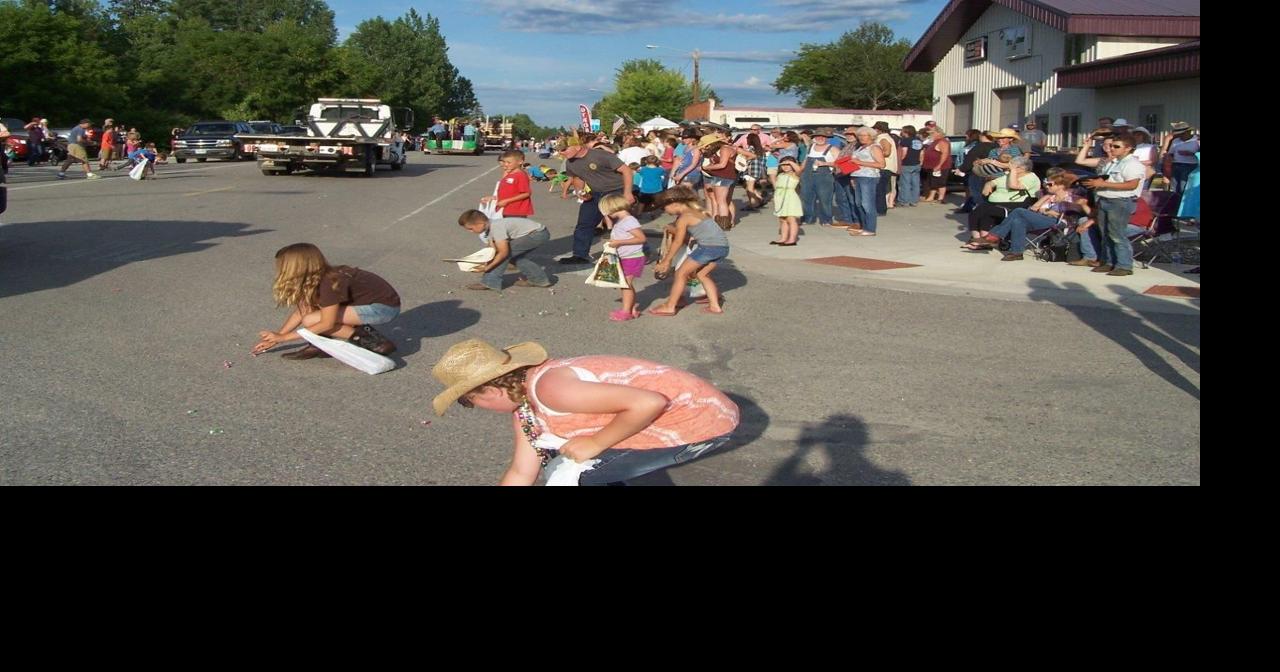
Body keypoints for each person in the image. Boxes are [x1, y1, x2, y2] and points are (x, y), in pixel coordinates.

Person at [430, 338, 740, 485]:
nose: (474, 409)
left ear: (492, 390)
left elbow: (650, 403)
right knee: (570, 463)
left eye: (468, 401)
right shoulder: (525, 410)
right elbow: (522, 471)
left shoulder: (550, 387)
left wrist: (595, 443)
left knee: (575, 475)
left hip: (703, 422)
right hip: (670, 416)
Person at [252, 243, 400, 360]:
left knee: (313, 320)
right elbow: (302, 310)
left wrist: (285, 338)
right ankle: (319, 345)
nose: (279, 270)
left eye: (282, 266)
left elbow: (326, 323)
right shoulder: (313, 279)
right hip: (365, 303)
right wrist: (277, 337)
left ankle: (375, 341)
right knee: (310, 316)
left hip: (383, 308)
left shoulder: (328, 282)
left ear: (297, 266)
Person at [649, 185, 730, 316]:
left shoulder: (684, 217)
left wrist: (666, 261)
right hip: (722, 247)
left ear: (674, 203)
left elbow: (678, 241)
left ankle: (670, 306)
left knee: (681, 274)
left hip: (708, 248)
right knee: (702, 275)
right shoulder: (699, 211)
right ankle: (715, 306)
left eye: (664, 207)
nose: (665, 211)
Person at [973, 172, 1088, 261]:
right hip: (1044, 220)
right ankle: (1016, 252)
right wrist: (1046, 199)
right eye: (1046, 183)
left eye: (1050, 184)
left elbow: (1076, 213)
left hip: (1059, 222)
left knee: (1018, 211)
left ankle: (994, 235)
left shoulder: (1072, 197)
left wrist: (1051, 211)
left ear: (1061, 186)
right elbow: (1034, 208)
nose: (1047, 186)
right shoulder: (1051, 197)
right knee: (1018, 221)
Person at [1075, 132, 1146, 276]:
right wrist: (1096, 183)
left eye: (1116, 146)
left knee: (1117, 234)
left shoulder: (1133, 164)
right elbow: (1106, 180)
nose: (1111, 148)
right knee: (1105, 233)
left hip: (1119, 201)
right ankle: (1108, 262)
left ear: (1128, 148)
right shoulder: (1114, 163)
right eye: (1111, 145)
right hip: (1105, 199)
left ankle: (1124, 265)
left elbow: (1132, 185)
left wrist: (1102, 183)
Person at [560, 133, 634, 265]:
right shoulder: (570, 163)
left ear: (576, 147)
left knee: (623, 223)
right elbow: (577, 178)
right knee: (584, 223)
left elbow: (626, 171)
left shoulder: (600, 155)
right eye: (559, 150)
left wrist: (628, 193)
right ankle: (580, 255)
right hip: (595, 193)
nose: (561, 153)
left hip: (616, 190)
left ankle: (637, 251)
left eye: (564, 149)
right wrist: (579, 192)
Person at [457, 209, 552, 290]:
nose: (470, 232)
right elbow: (491, 249)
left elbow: (503, 253)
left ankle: (490, 282)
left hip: (537, 235)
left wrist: (488, 267)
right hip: (538, 233)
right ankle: (538, 279)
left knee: (505, 255)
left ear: (480, 224)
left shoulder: (496, 227)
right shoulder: (490, 225)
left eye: (471, 229)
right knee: (515, 257)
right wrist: (482, 260)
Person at [963, 156, 1040, 249]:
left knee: (982, 210)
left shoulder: (1030, 177)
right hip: (997, 204)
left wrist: (1013, 171)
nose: (1008, 167)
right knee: (981, 212)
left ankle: (981, 241)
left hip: (1015, 207)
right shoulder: (1008, 174)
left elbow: (1013, 185)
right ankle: (981, 240)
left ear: (1022, 168)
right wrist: (989, 184)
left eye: (1012, 165)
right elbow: (995, 182)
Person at [598, 194, 647, 321]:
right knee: (626, 284)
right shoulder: (621, 221)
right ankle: (631, 308)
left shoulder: (629, 221)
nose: (606, 215)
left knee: (625, 284)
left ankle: (626, 311)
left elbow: (641, 238)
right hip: (625, 256)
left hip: (633, 257)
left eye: (606, 211)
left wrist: (620, 243)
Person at [799, 128, 838, 228]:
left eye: (823, 137)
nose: (820, 138)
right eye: (818, 136)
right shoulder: (810, 147)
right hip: (807, 176)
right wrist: (799, 172)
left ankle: (826, 219)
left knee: (825, 199)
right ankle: (808, 218)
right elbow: (805, 161)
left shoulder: (833, 149)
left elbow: (839, 163)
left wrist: (824, 163)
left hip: (824, 178)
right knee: (806, 198)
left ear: (827, 138)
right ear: (814, 138)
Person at [481, 150, 534, 218]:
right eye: (504, 162)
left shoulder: (520, 175)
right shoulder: (510, 175)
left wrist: (506, 201)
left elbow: (526, 193)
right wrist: (493, 198)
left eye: (509, 162)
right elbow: (509, 193)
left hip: (516, 212)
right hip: (506, 210)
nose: (505, 164)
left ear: (520, 162)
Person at [771, 156, 803, 245]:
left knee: (791, 219)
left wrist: (791, 162)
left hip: (790, 197)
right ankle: (783, 238)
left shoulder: (794, 174)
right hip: (780, 197)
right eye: (783, 165)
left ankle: (792, 239)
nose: (785, 166)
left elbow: (799, 170)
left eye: (788, 165)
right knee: (782, 219)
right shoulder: (780, 175)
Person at [1161, 122, 1199, 194]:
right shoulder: (1176, 141)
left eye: (1182, 134)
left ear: (1188, 132)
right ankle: (1175, 203)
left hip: (1190, 165)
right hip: (1176, 164)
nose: (1180, 136)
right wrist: (1169, 157)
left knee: (1183, 187)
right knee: (1174, 188)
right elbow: (1171, 152)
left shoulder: (1196, 140)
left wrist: (1192, 154)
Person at [919, 127, 952, 204]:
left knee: (941, 182)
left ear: (938, 133)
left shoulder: (943, 142)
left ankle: (941, 198)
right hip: (931, 166)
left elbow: (945, 154)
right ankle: (931, 197)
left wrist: (939, 165)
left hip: (941, 166)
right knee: (933, 182)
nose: (930, 135)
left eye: (932, 133)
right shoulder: (934, 141)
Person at [872, 121, 899, 214]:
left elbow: (887, 152)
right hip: (886, 167)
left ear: (878, 129)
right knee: (881, 189)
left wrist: (874, 155)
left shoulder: (883, 138)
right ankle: (881, 209)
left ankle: (880, 210)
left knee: (879, 189)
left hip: (884, 167)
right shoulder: (887, 137)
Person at [896, 125, 923, 207]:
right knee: (915, 183)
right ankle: (914, 200)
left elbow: (904, 152)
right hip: (916, 163)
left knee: (905, 183)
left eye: (903, 131)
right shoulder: (918, 140)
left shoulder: (905, 141)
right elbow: (921, 153)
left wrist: (900, 161)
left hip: (907, 163)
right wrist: (920, 162)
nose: (902, 132)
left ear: (906, 132)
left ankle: (904, 201)